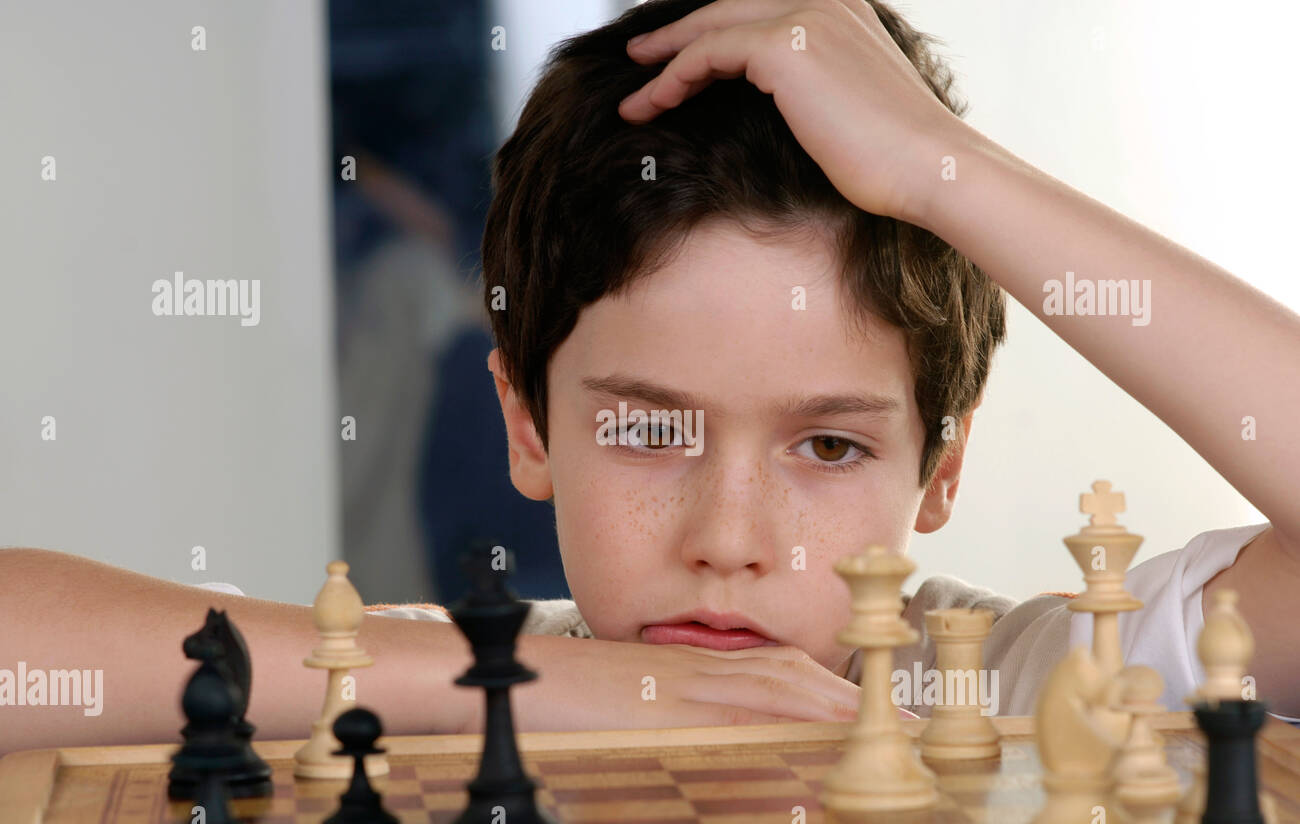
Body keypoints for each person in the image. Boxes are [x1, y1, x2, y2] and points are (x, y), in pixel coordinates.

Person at [3, 0, 1297, 757]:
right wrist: (507, 679)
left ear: (942, 463)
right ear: (528, 425)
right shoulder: (455, 676)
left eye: (830, 446)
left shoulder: (1034, 691)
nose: (727, 540)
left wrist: (937, 166)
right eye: (645, 427)